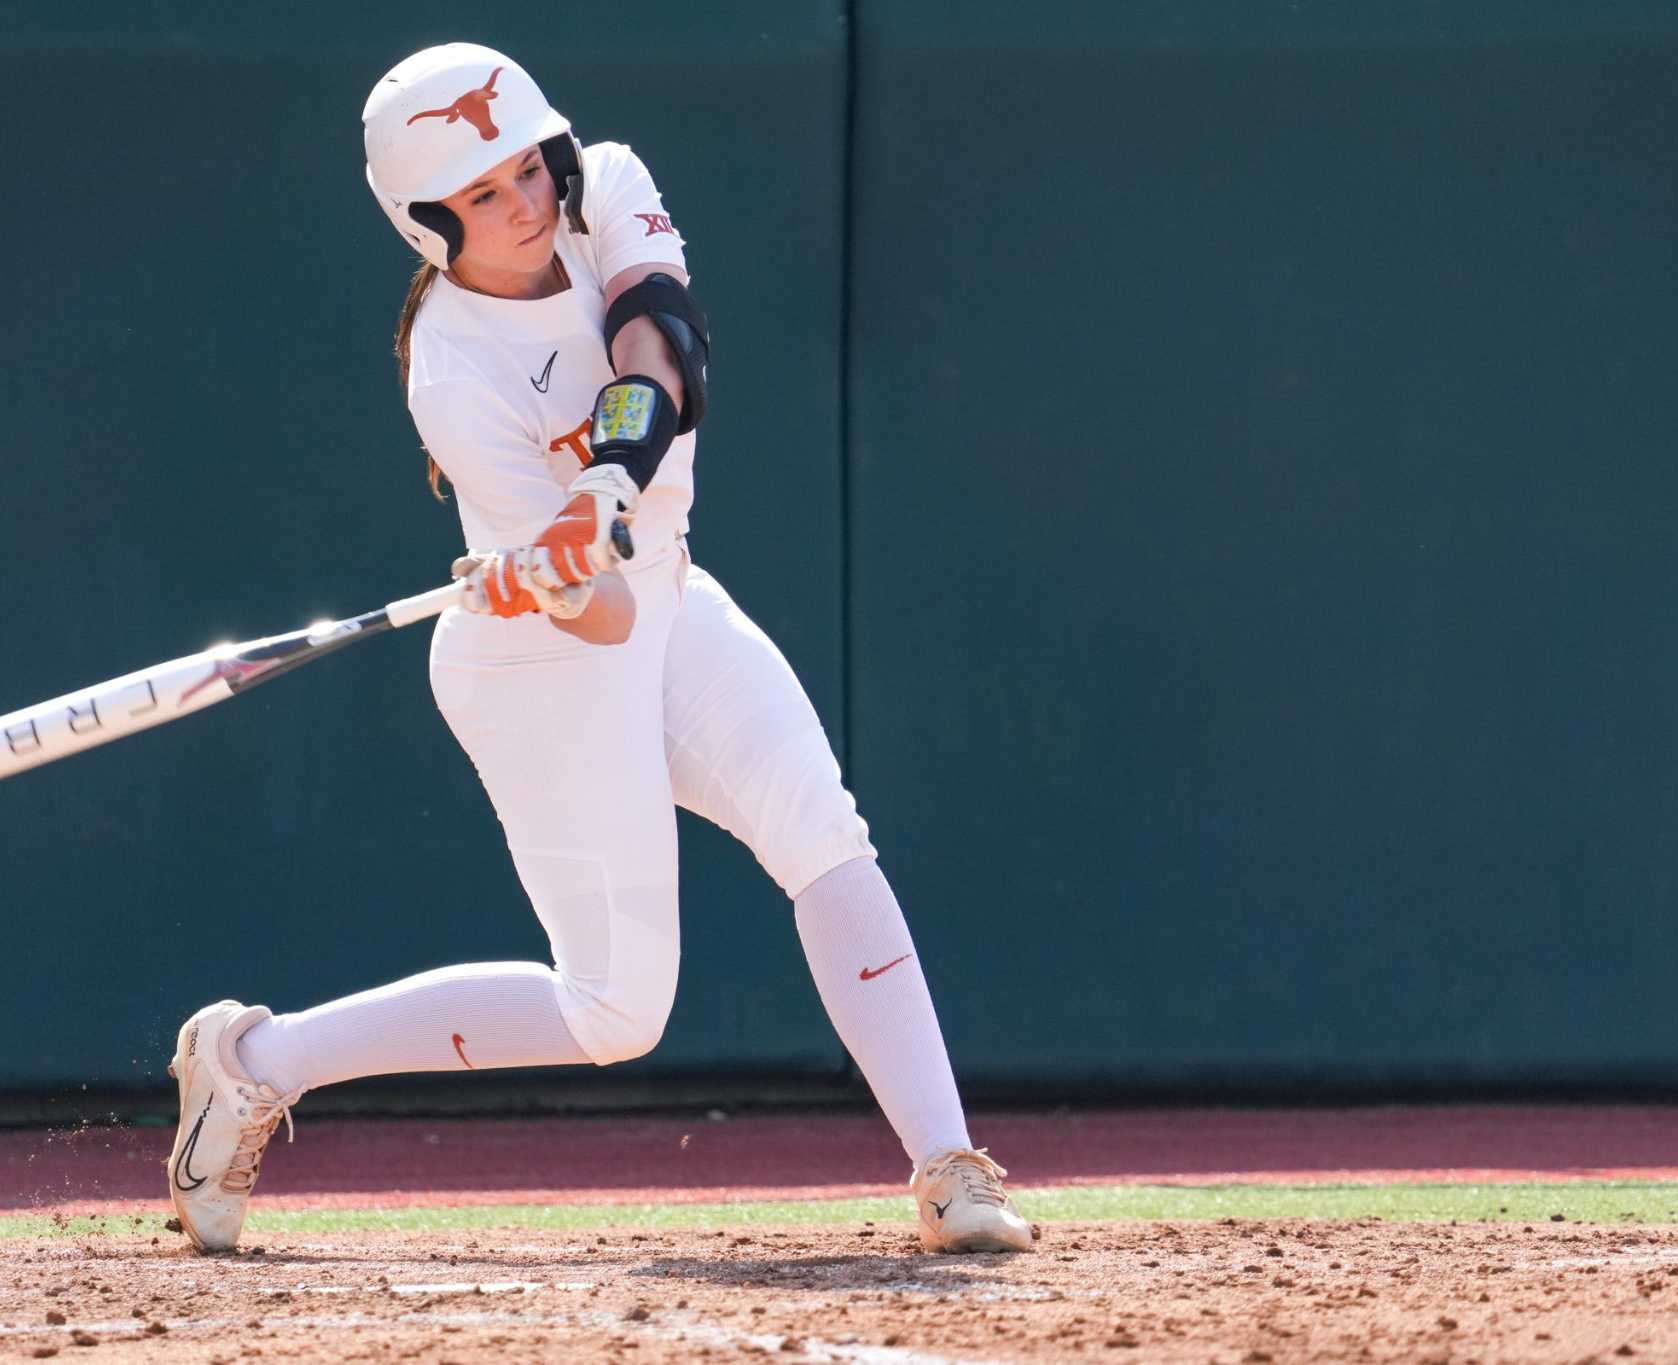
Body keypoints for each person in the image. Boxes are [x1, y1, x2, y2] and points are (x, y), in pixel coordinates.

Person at [162, 42, 1032, 1258]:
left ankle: (950, 1170)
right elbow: (602, 622)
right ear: (426, 223)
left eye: (524, 169)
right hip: (543, 669)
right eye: (479, 195)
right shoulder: (452, 370)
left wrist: (602, 492)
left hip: (671, 594)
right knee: (618, 1013)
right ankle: (255, 1061)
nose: (522, 204)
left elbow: (663, 341)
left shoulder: (608, 185)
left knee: (822, 834)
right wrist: (559, 582)